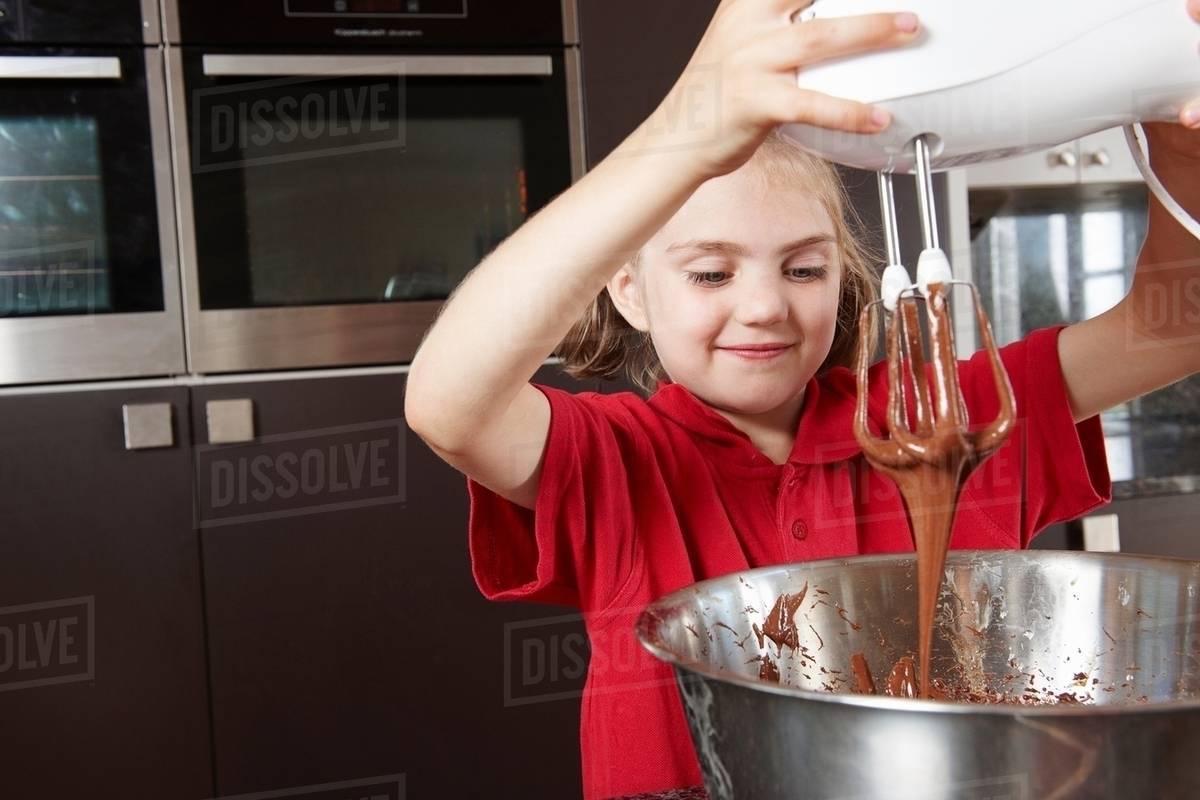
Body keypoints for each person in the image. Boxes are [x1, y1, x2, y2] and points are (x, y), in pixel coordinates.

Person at [406, 1, 1200, 796]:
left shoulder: (950, 420)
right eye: (711, 272)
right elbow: (449, 404)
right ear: (628, 291)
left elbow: (1172, 330)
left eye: (804, 269)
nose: (763, 307)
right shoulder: (613, 460)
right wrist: (686, 129)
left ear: (845, 279)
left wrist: (1177, 129)